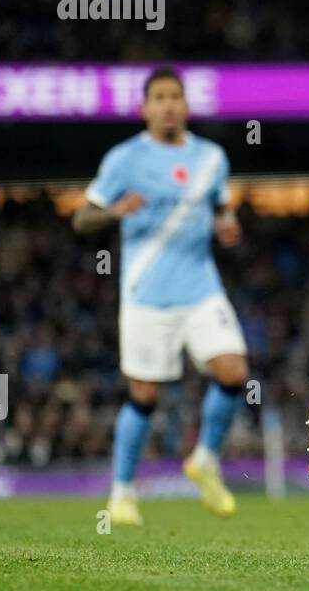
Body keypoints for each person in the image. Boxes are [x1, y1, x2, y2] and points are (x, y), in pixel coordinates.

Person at [73, 66, 248, 525]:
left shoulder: (211, 157)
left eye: (175, 96)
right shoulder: (124, 159)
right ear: (144, 107)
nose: (168, 104)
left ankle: (205, 460)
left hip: (200, 285)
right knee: (144, 394)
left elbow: (222, 207)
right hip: (145, 291)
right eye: (159, 97)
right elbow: (81, 220)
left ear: (186, 106)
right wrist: (115, 210)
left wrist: (227, 225)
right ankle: (122, 494)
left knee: (234, 371)